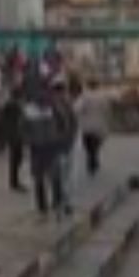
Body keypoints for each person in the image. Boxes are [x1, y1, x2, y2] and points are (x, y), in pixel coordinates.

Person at [22, 79, 62, 219]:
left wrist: (59, 138)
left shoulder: (53, 109)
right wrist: (28, 141)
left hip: (50, 146)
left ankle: (56, 202)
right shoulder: (29, 111)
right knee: (41, 178)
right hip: (38, 148)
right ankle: (44, 206)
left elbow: (63, 124)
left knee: (53, 177)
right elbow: (23, 130)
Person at [51, 76, 79, 216]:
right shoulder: (52, 106)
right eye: (59, 90)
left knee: (63, 174)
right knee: (59, 174)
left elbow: (74, 123)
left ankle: (64, 202)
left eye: (61, 90)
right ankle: (61, 201)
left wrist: (71, 138)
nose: (61, 93)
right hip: (56, 145)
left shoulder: (67, 105)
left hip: (63, 145)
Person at [75, 79, 112, 176]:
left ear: (88, 85)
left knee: (88, 145)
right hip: (100, 125)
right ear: (97, 85)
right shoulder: (103, 96)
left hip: (87, 126)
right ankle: (94, 158)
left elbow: (77, 109)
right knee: (96, 144)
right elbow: (107, 109)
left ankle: (91, 159)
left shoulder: (84, 97)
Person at [0, 85, 26, 193]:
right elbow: (17, 121)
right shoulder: (13, 105)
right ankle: (14, 182)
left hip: (14, 135)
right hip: (15, 135)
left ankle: (14, 181)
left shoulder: (12, 105)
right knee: (16, 158)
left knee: (16, 158)